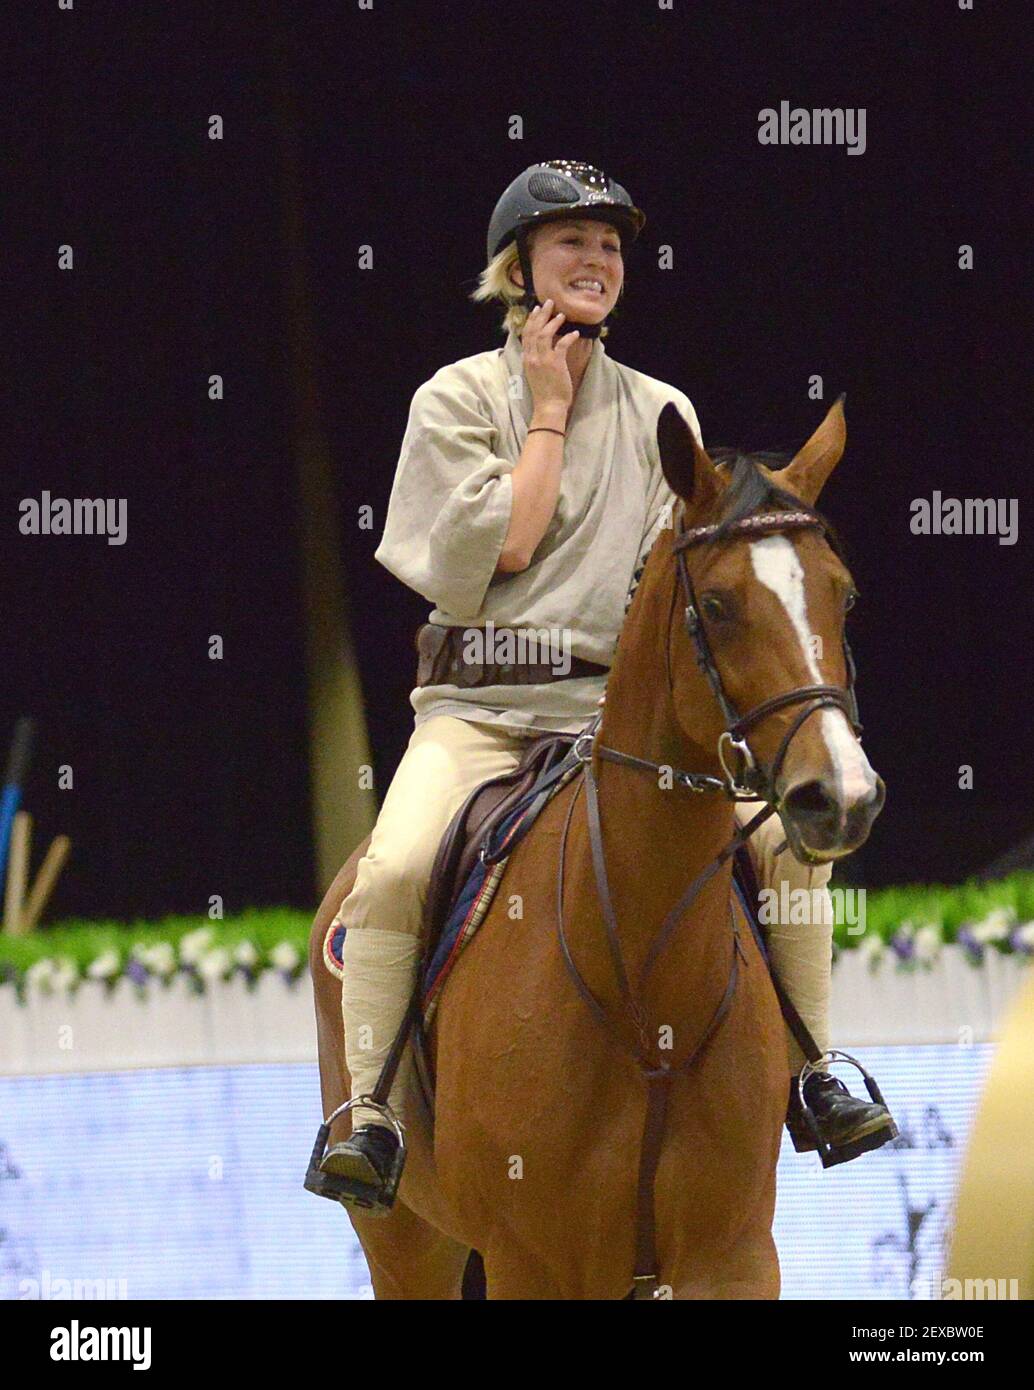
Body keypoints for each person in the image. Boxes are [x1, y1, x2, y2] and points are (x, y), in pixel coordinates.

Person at [318, 160, 895, 1207]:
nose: (594, 261)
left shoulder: (659, 409)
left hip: (611, 721)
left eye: (610, 247)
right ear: (517, 267)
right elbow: (506, 544)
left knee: (779, 843)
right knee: (394, 868)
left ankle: (814, 1070)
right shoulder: (454, 397)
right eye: (569, 242)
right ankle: (372, 1116)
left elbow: (675, 592)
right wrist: (545, 409)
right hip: (481, 716)